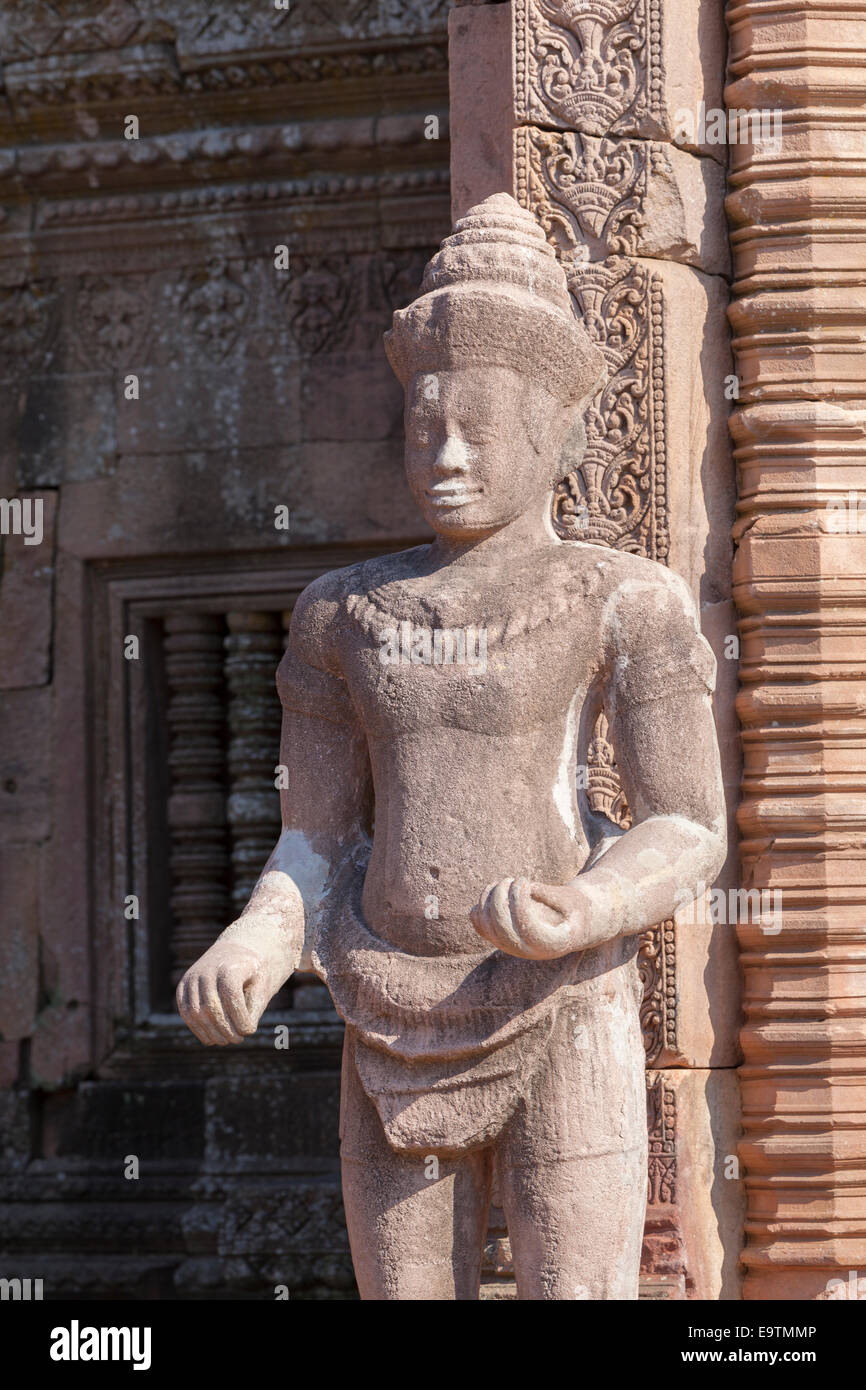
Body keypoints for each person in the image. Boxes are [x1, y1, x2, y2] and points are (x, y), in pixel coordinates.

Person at [177, 194, 726, 1300]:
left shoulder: (619, 598)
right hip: (383, 1000)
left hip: (559, 995)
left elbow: (687, 825)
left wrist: (590, 903)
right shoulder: (341, 612)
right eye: (424, 427)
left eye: (479, 425)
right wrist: (258, 935)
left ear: (557, 435)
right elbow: (315, 837)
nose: (449, 454)